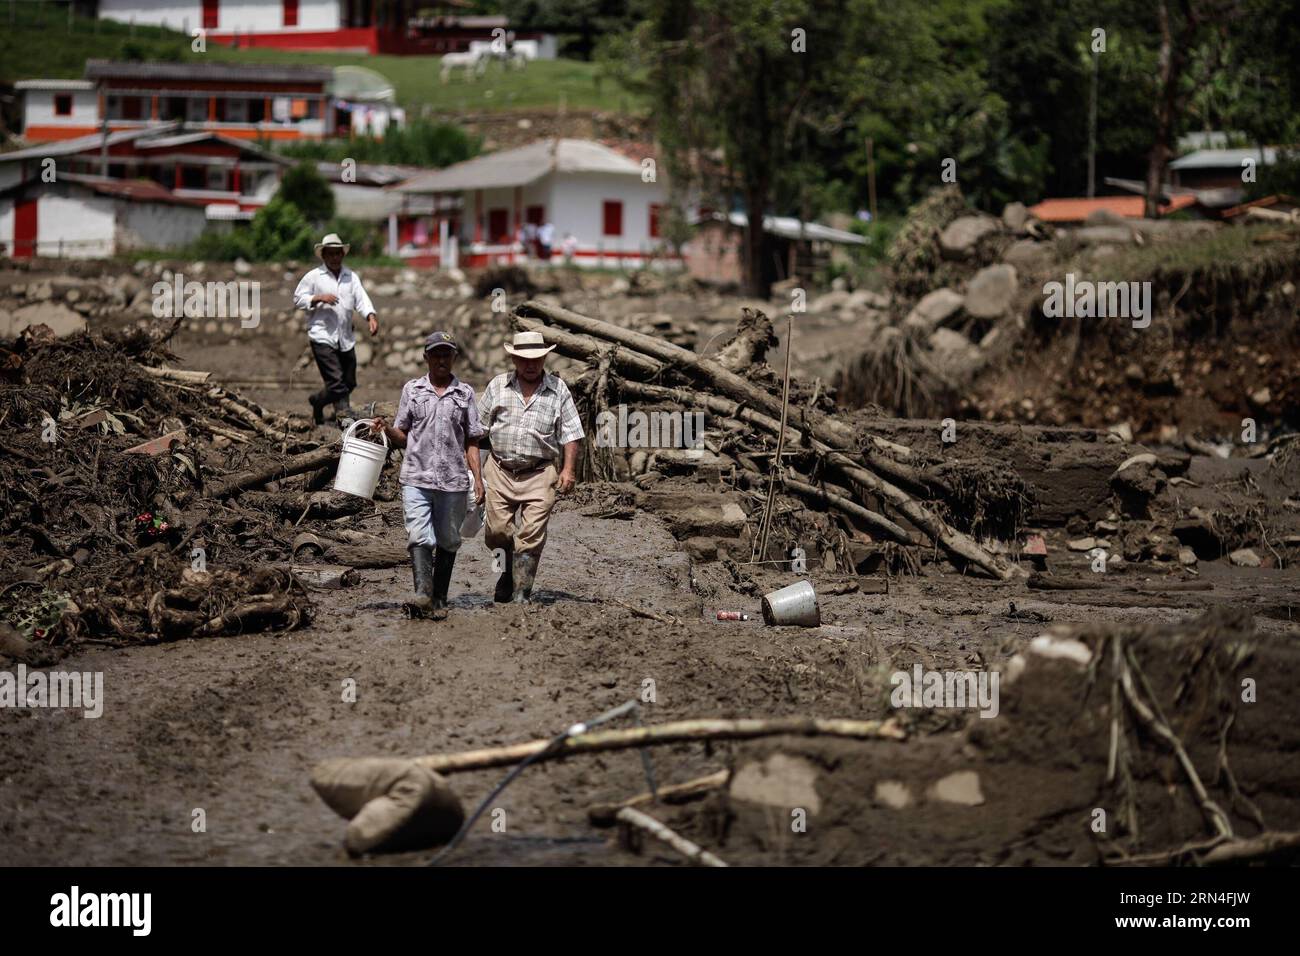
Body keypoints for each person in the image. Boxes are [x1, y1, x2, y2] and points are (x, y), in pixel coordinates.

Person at [371, 332, 485, 620]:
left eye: (447, 354)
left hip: (453, 481)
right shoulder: (412, 390)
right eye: (436, 354)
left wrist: (479, 479)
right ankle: (422, 593)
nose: (442, 359)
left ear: (454, 358)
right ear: (427, 358)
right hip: (416, 478)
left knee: (448, 540)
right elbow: (402, 435)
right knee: (420, 535)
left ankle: (440, 598)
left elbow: (473, 440)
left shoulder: (465, 394)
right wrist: (385, 429)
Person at [477, 331, 584, 603]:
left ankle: (522, 592)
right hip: (499, 469)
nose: (530, 364)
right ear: (513, 358)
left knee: (531, 535)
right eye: (524, 359)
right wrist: (474, 474)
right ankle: (505, 572)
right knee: (497, 532)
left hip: (539, 472)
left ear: (545, 357)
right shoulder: (498, 386)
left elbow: (571, 434)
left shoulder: (558, 389)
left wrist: (568, 470)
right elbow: (477, 431)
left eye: (536, 358)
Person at [294, 233, 379, 427]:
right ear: (323, 255)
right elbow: (298, 298)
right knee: (336, 383)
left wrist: (370, 316)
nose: (334, 258)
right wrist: (318, 298)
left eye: (337, 254)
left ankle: (318, 401)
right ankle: (345, 419)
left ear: (342, 254)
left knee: (349, 383)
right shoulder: (314, 277)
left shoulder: (351, 277)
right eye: (330, 254)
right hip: (322, 336)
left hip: (345, 337)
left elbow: (362, 299)